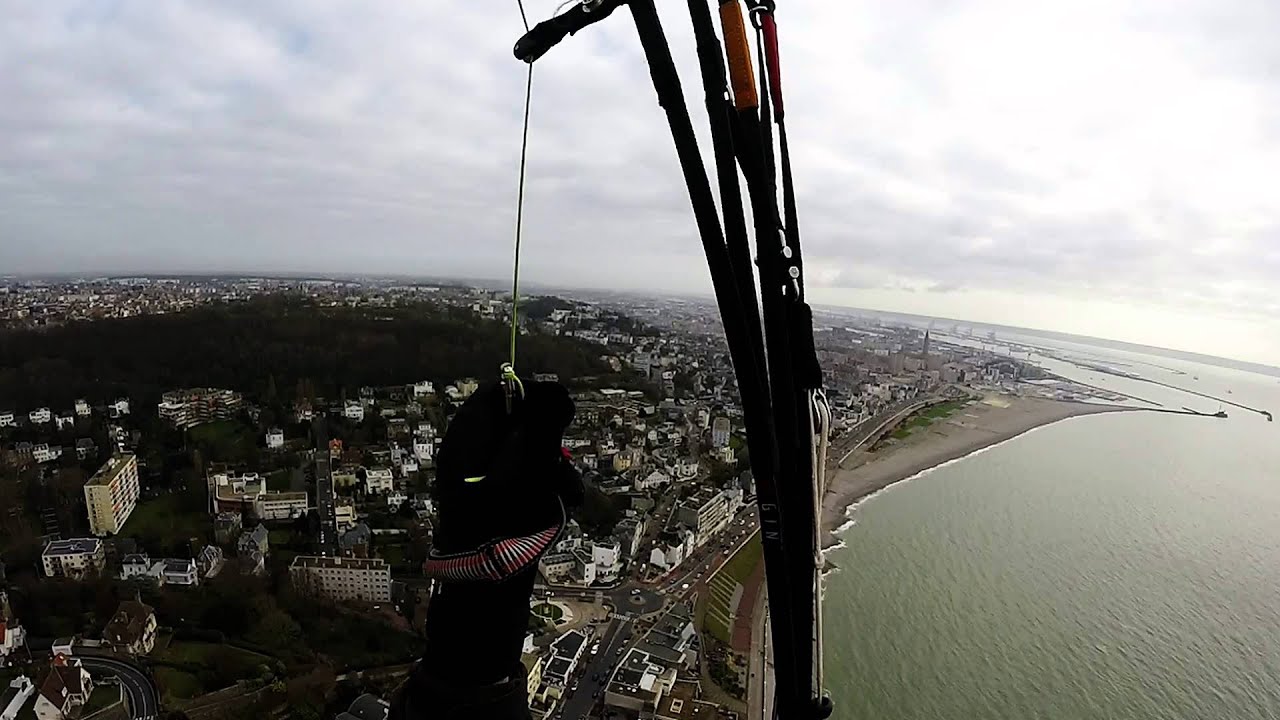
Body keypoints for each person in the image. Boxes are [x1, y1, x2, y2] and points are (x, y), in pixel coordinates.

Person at [390, 379, 583, 720]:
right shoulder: (535, 510)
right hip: (463, 690)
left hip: (438, 688)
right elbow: (569, 497)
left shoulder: (415, 702)